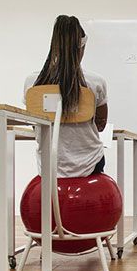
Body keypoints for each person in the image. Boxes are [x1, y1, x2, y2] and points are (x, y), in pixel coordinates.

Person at [24, 15, 109, 177]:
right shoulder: (96, 82)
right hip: (90, 161)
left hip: (49, 164)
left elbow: (35, 124)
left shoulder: (32, 83)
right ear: (82, 47)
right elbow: (100, 124)